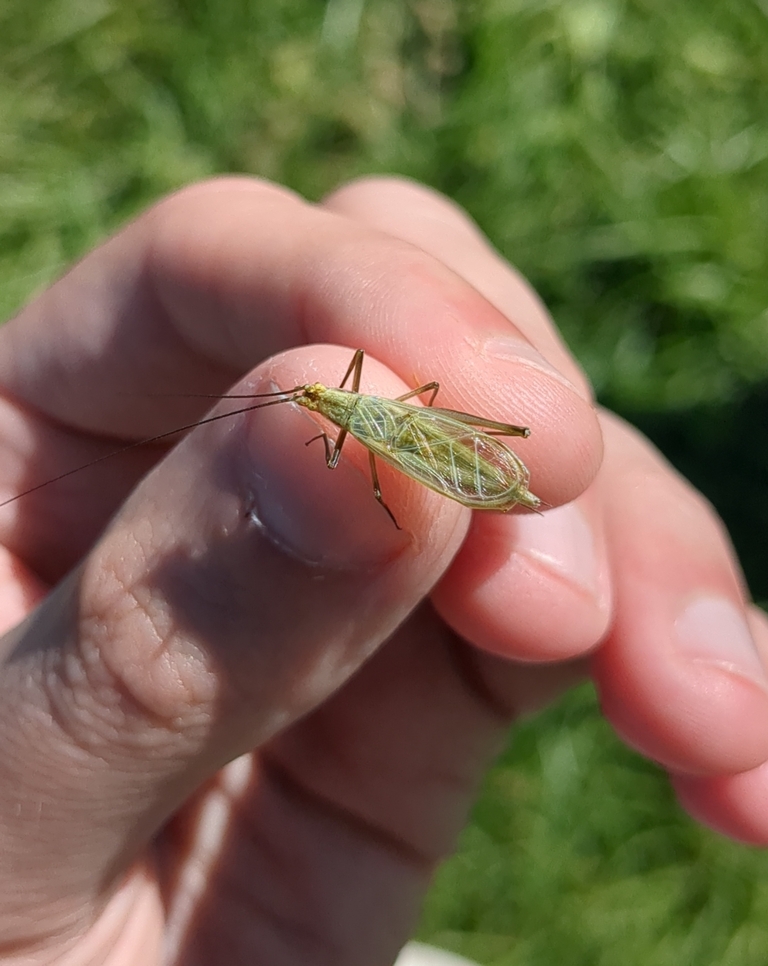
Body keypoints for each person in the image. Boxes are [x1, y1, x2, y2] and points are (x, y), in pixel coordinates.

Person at [0, 176, 764, 966]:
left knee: (414, 441)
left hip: (428, 437)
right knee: (379, 473)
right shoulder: (340, 415)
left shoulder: (346, 412)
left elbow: (372, 437)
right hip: (412, 440)